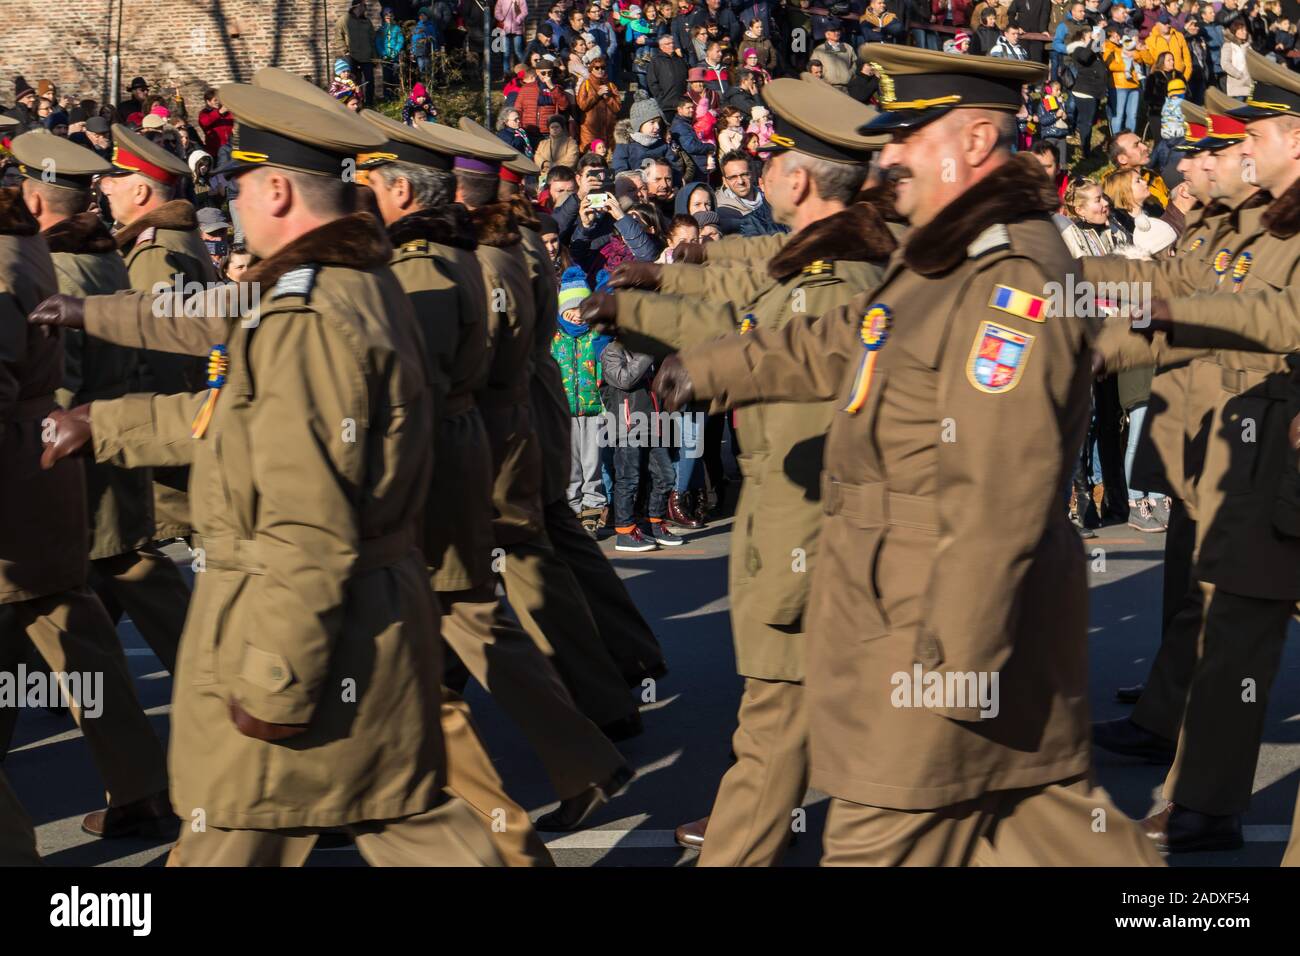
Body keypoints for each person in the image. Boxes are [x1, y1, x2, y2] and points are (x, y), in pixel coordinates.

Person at [646, 44, 1166, 866]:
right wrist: (715, 367)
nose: (885, 158)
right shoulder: (946, 252)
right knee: (1050, 836)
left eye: (906, 138)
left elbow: (1000, 489)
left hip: (939, 632)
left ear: (973, 143)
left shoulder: (1010, 276)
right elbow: (854, 337)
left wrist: (950, 670)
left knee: (876, 841)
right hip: (937, 626)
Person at [33, 83, 503, 867]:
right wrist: (105, 416)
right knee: (398, 823)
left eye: (242, 188)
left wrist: (277, 678)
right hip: (352, 623)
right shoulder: (336, 284)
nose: (236, 206)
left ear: (277, 189)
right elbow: (233, 409)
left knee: (280, 823)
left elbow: (307, 518)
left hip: (312, 631)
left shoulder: (310, 314)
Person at [585, 78, 897, 861]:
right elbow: (736, 297)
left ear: (797, 181)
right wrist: (640, 305)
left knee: (783, 712)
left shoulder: (833, 281)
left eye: (774, 158)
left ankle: (753, 829)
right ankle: (753, 821)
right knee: (781, 718)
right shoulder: (815, 264)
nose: (760, 170)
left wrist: (789, 573)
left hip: (805, 525)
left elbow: (795, 414)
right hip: (799, 528)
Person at [1090, 48, 1300, 854]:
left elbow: (1266, 317)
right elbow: (1163, 290)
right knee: (1223, 629)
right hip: (1240, 464)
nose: (1228, 158)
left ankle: (1201, 800)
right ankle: (1202, 802)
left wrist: (1157, 318)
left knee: (1229, 632)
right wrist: (1064, 281)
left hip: (1266, 467)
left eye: (1245, 142)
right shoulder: (1247, 228)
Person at [0, 128, 173, 843]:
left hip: (32, 465)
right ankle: (141, 784)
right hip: (57, 469)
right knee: (71, 632)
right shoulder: (56, 257)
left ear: (33, 194)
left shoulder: (24, 265)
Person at [336, 0, 377, 105]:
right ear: (358, 6)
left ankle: (369, 104)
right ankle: (355, 103)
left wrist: (374, 56)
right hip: (352, 56)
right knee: (354, 83)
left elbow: (372, 39)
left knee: (370, 82)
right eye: (364, 5)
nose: (366, 8)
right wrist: (345, 51)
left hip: (366, 57)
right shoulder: (344, 19)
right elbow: (338, 36)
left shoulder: (367, 21)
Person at [575, 57, 621, 150]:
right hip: (590, 131)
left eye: (603, 68)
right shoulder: (586, 84)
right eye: (597, 68)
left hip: (608, 131)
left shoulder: (611, 85)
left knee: (608, 159)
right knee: (591, 158)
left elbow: (617, 108)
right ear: (591, 70)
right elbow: (582, 106)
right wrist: (597, 95)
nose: (600, 70)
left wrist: (607, 97)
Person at [648, 33, 690, 115]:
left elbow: (687, 78)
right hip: (666, 105)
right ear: (661, 46)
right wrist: (661, 97)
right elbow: (652, 82)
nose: (672, 45)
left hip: (682, 103)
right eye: (668, 44)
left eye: (672, 43)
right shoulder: (656, 61)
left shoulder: (680, 60)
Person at [811, 19, 857, 90]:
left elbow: (855, 63)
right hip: (827, 88)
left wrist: (850, 74)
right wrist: (822, 79)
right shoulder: (819, 50)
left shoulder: (848, 47)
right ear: (827, 34)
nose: (836, 33)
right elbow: (813, 68)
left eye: (838, 30)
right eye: (833, 31)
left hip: (846, 87)